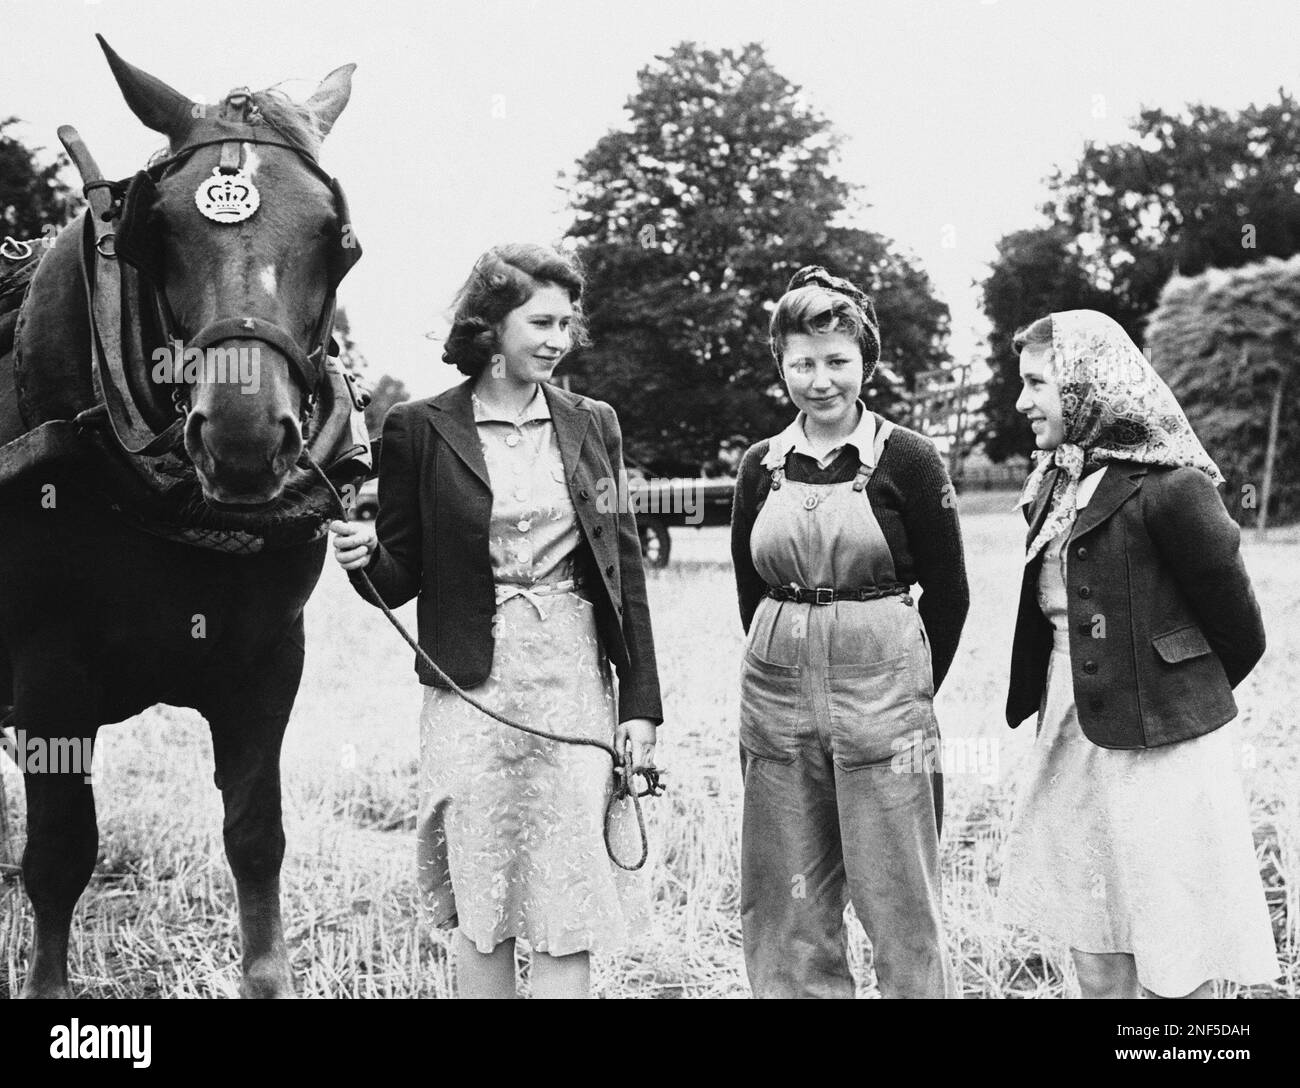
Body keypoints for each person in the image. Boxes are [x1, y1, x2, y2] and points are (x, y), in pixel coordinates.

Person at [329, 243, 662, 999]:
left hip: (573, 679)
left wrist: (641, 703)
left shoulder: (592, 425)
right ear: (491, 324)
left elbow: (624, 569)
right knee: (483, 893)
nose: (557, 338)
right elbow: (399, 574)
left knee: (566, 890)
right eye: (540, 321)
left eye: (567, 324)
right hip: (468, 686)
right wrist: (361, 558)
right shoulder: (419, 428)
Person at [1000, 309, 1279, 999]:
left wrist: (1167, 699)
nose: (1021, 402)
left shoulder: (1173, 488)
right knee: (1094, 933)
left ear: (1090, 384)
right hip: (1072, 732)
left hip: (1165, 744)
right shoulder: (1055, 486)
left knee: (1174, 943)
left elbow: (1240, 633)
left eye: (1036, 383)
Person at [729, 265, 969, 998]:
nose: (820, 379)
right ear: (781, 366)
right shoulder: (757, 466)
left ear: (866, 360)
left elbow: (951, 593)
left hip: (885, 700)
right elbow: (751, 588)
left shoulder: (911, 459)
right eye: (802, 362)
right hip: (776, 699)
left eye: (836, 360)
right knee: (786, 902)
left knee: (899, 902)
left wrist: (904, 686)